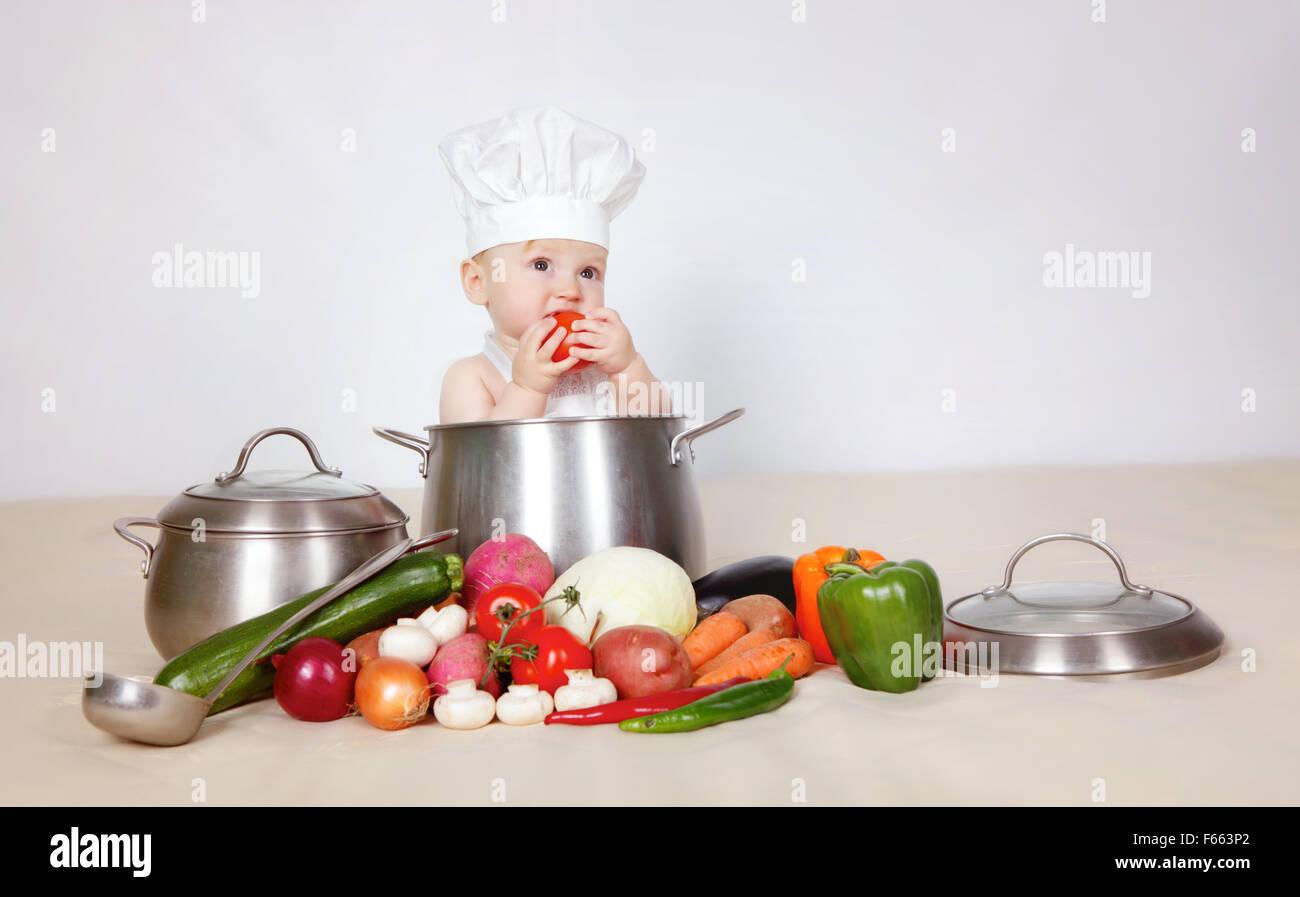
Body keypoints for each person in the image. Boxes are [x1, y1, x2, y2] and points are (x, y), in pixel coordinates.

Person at [436, 106, 672, 422]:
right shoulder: (473, 377)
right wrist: (527, 389)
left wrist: (629, 368)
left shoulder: (603, 371)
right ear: (478, 283)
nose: (570, 290)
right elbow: (483, 461)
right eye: (542, 265)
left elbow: (659, 437)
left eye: (588, 272)